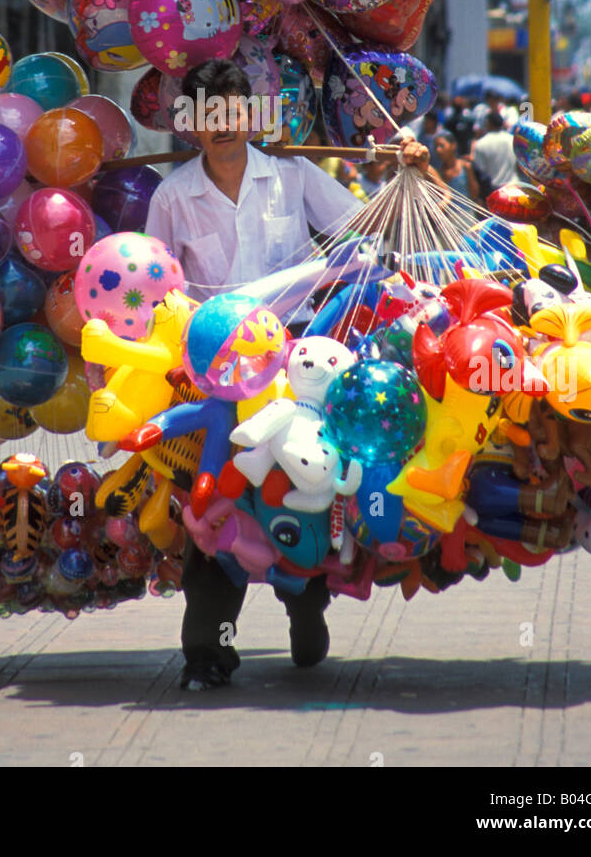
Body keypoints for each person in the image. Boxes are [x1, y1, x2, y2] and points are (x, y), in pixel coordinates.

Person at [144, 58, 431, 689]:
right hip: (217, 378)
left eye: (232, 111)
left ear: (249, 115)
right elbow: (158, 293)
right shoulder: (172, 197)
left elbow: (365, 228)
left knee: (306, 488)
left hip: (297, 366)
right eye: (207, 114)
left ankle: (307, 611)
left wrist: (403, 168)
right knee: (217, 503)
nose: (222, 127)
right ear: (190, 125)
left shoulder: (293, 175)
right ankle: (207, 654)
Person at [471, 108, 518, 198]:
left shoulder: (481, 143)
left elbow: (481, 169)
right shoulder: (512, 139)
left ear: (488, 124)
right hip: (515, 187)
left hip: (495, 191)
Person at [434, 130, 480, 201]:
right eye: (436, 147)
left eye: (442, 146)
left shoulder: (465, 167)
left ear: (453, 145)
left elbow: (474, 194)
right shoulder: (438, 173)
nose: (438, 150)